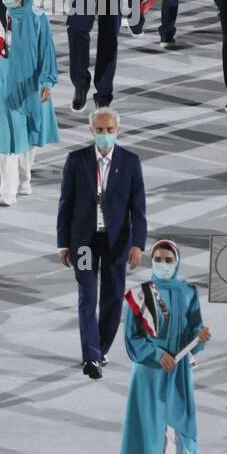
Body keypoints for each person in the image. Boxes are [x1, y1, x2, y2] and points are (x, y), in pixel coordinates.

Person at [120, 239, 211, 454]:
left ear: (177, 262)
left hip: (178, 370)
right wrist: (157, 354)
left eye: (168, 260)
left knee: (175, 430)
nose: (162, 264)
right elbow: (132, 338)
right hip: (149, 370)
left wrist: (199, 337)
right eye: (158, 259)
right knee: (150, 426)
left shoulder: (188, 292)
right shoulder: (139, 295)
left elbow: (194, 329)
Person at [57, 108, 147, 378]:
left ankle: (101, 348)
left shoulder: (130, 162)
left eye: (109, 130)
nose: (105, 134)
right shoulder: (76, 160)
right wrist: (63, 244)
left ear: (117, 131)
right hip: (84, 242)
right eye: (100, 130)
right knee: (87, 295)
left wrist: (138, 244)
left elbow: (138, 207)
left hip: (115, 242)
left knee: (112, 297)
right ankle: (91, 356)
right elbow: (66, 204)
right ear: (91, 131)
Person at [0, 0, 60, 206]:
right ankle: (8, 191)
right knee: (4, 136)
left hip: (30, 84)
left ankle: (25, 179)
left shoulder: (38, 17)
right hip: (4, 84)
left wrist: (47, 82)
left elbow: (46, 51)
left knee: (27, 135)